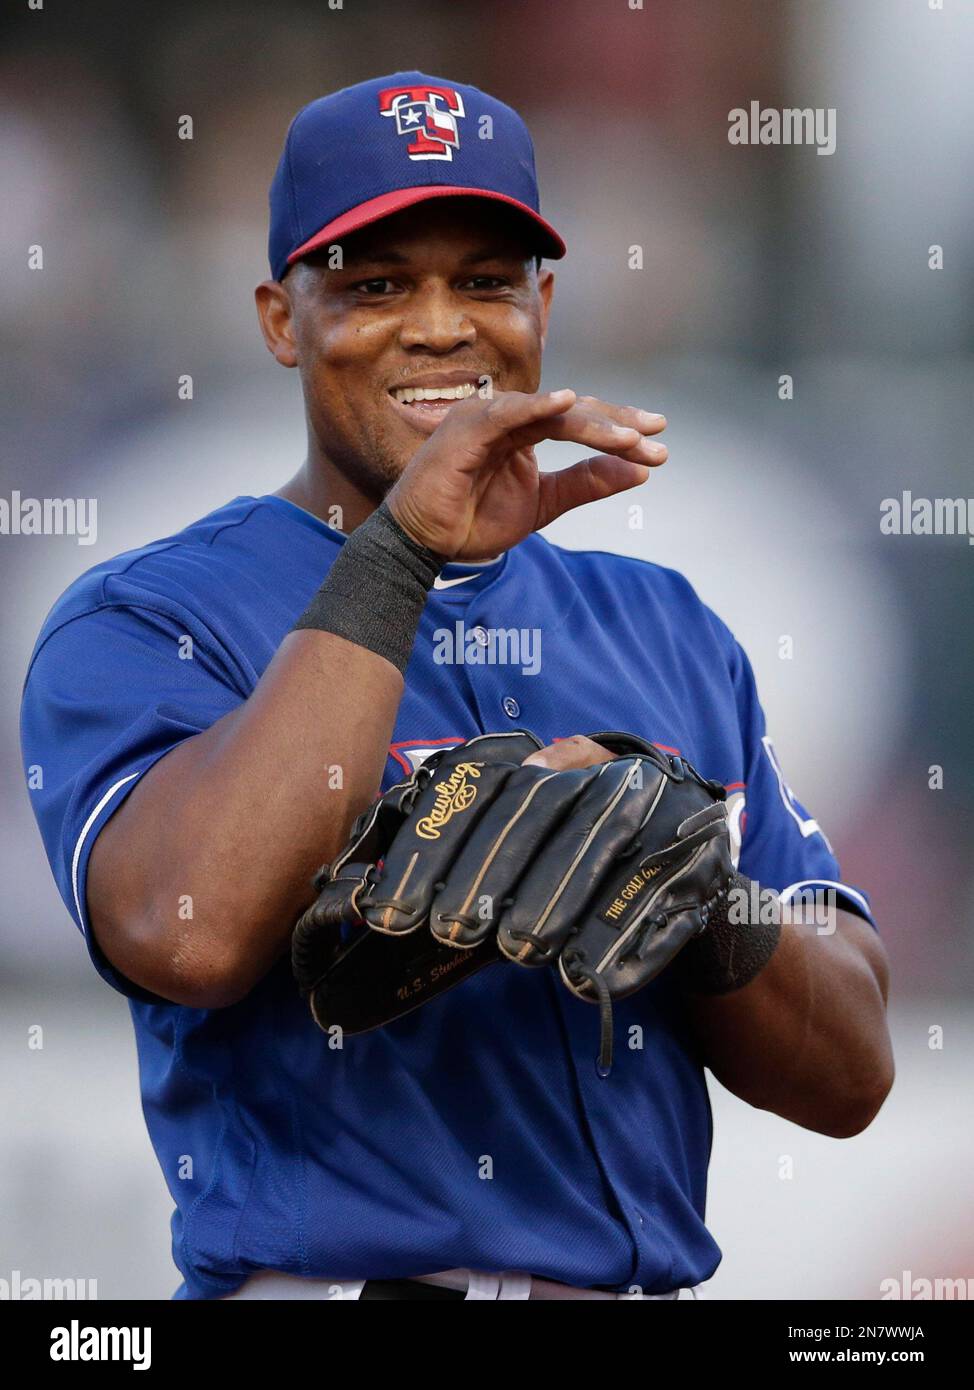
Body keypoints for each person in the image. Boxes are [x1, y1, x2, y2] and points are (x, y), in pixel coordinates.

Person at [20, 72, 893, 1301]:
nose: (439, 326)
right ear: (281, 317)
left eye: (484, 279)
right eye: (375, 285)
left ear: (540, 305)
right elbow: (193, 930)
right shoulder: (149, 618)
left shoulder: (664, 627)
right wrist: (402, 550)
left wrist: (694, 892)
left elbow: (850, 1073)